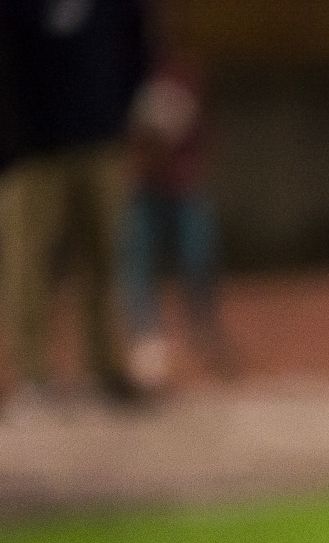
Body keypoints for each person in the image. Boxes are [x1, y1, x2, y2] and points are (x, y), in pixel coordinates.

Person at [0, 0, 152, 410]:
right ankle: (32, 378)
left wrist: (120, 112)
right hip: (30, 151)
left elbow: (139, 46)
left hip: (101, 141)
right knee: (26, 265)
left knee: (104, 258)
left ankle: (106, 368)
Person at [123, 45, 236, 386]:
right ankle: (147, 340)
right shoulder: (128, 75)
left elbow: (200, 130)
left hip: (184, 188)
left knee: (198, 257)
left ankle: (203, 330)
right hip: (144, 189)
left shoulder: (186, 77)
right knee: (138, 264)